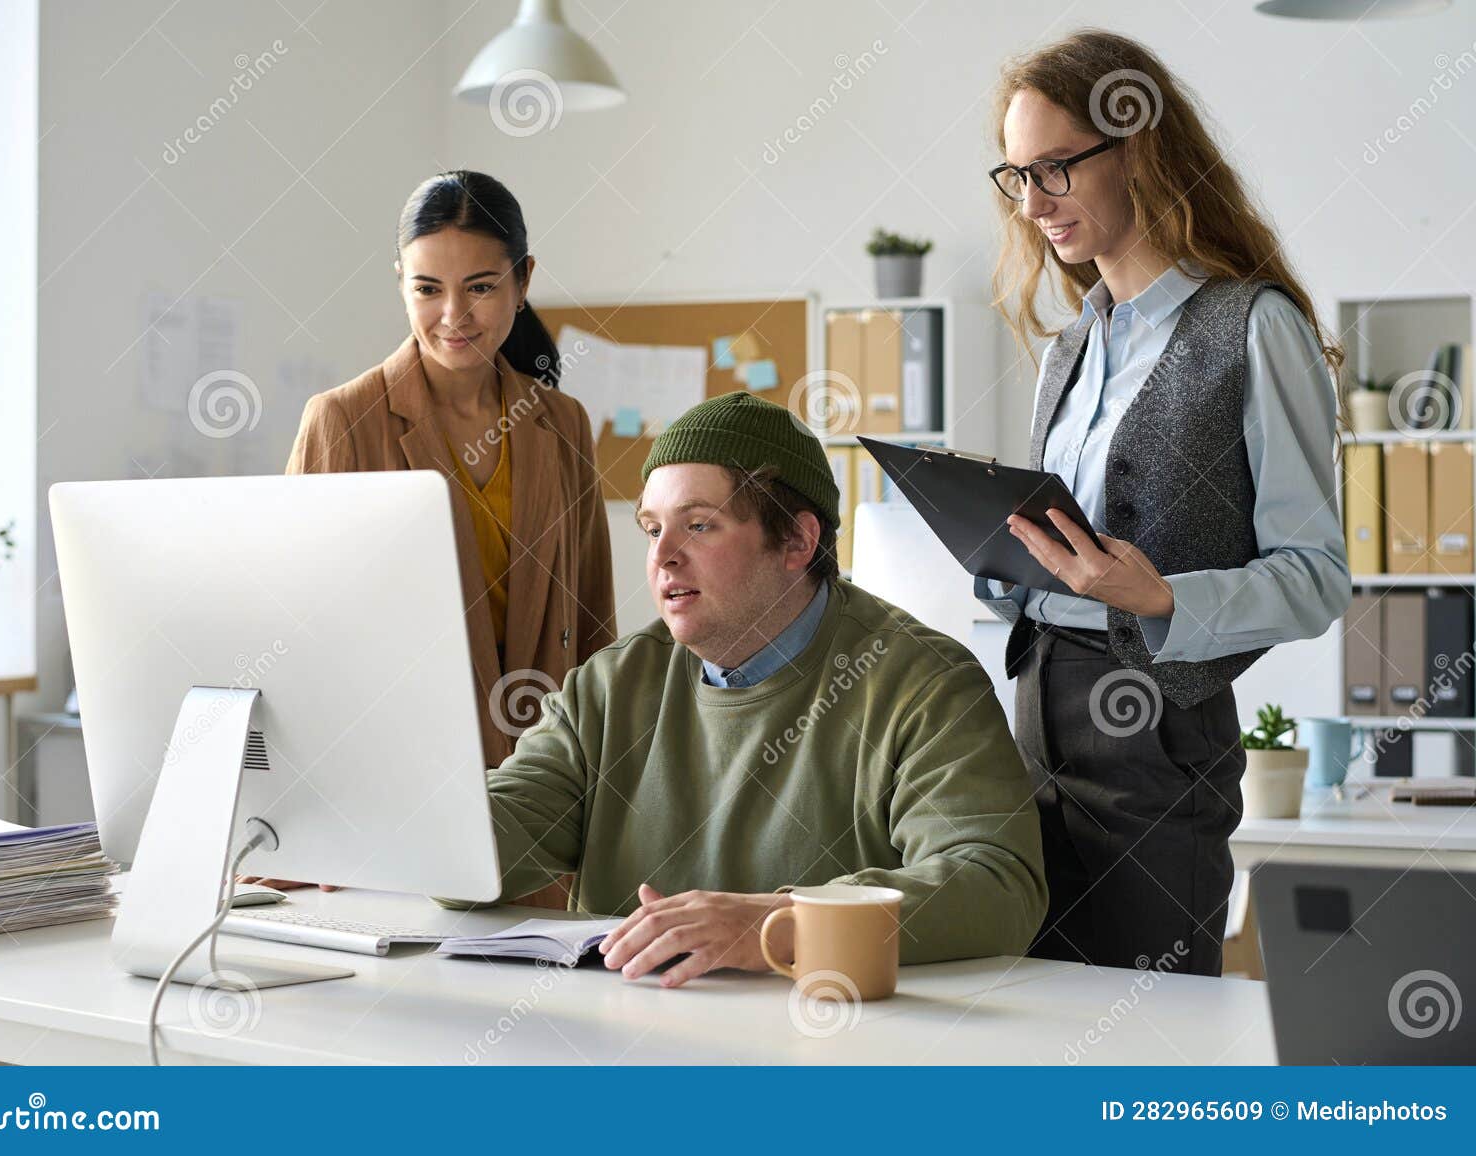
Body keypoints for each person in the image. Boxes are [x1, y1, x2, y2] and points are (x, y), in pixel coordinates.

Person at [443, 391, 1047, 987]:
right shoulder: (610, 683)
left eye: (699, 526)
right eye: (652, 529)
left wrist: (777, 924)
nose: (663, 558)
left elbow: (996, 885)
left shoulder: (925, 684)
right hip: (626, 1040)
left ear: (797, 542)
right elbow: (489, 840)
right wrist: (387, 832)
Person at [977, 29, 1350, 976]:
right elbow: (1064, 559)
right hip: (1036, 714)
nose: (1033, 205)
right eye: (1015, 176)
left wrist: (1164, 599)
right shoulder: (1069, 350)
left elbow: (1315, 579)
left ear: (1138, 147)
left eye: (1055, 168)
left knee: (1151, 1033)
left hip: (1155, 736)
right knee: (1032, 1018)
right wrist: (1001, 560)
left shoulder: (1254, 326)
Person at [263, 171, 616, 906]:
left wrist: (608, 794)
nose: (453, 314)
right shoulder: (344, 422)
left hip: (542, 798)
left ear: (522, 282)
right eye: (427, 289)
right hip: (393, 803)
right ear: (401, 285)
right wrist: (304, 820)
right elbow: (300, 642)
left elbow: (593, 631)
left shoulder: (564, 425)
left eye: (481, 287)